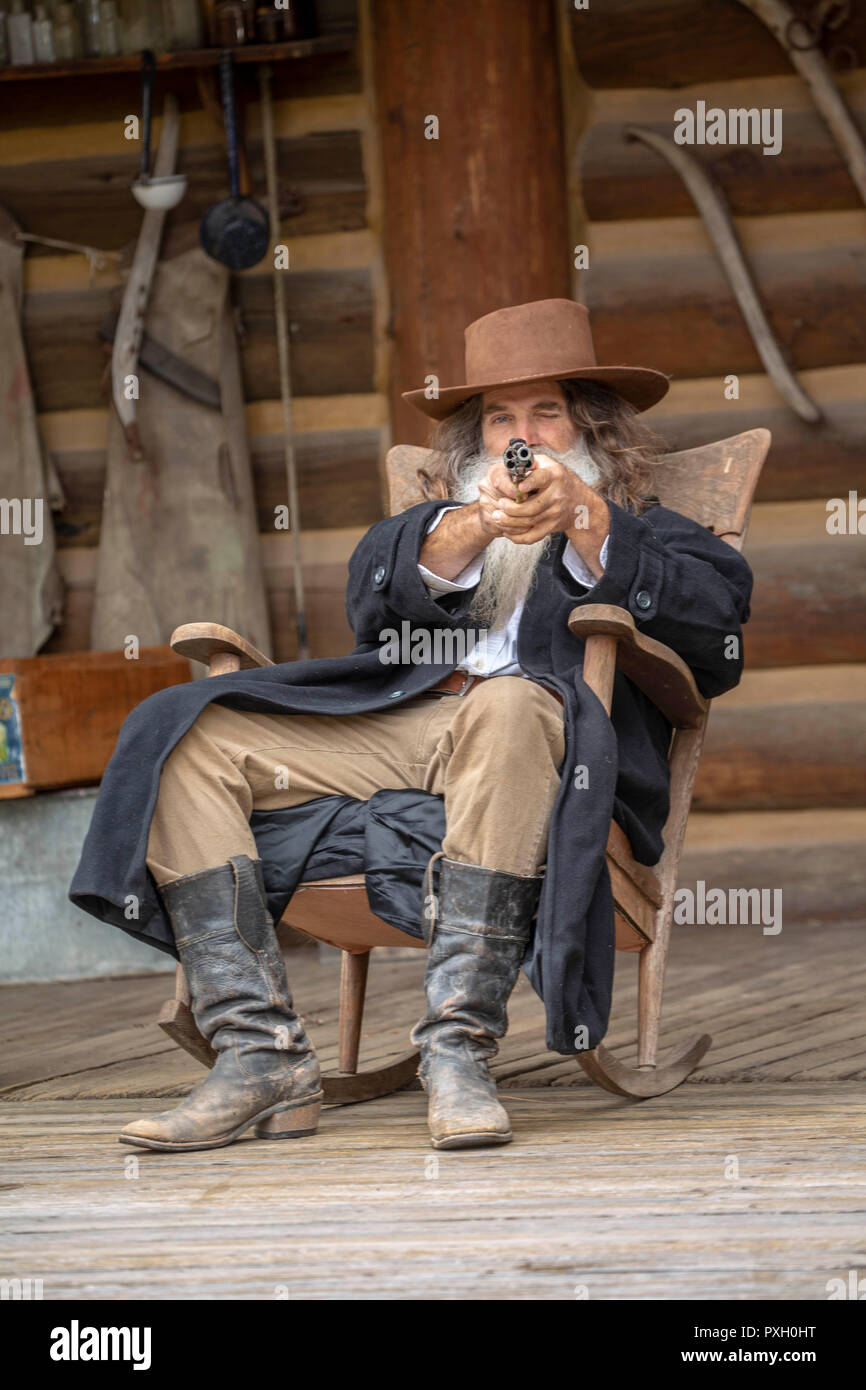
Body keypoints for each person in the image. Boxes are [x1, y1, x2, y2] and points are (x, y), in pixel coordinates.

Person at [69, 299, 753, 1154]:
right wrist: (473, 524)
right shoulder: (444, 523)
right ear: (477, 438)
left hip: (545, 742)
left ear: (590, 424)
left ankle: (459, 1050)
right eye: (502, 414)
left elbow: (720, 632)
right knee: (188, 732)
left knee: (507, 703)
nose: (525, 432)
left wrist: (588, 520)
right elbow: (371, 602)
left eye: (547, 410)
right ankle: (258, 1055)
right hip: (406, 724)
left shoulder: (650, 531)